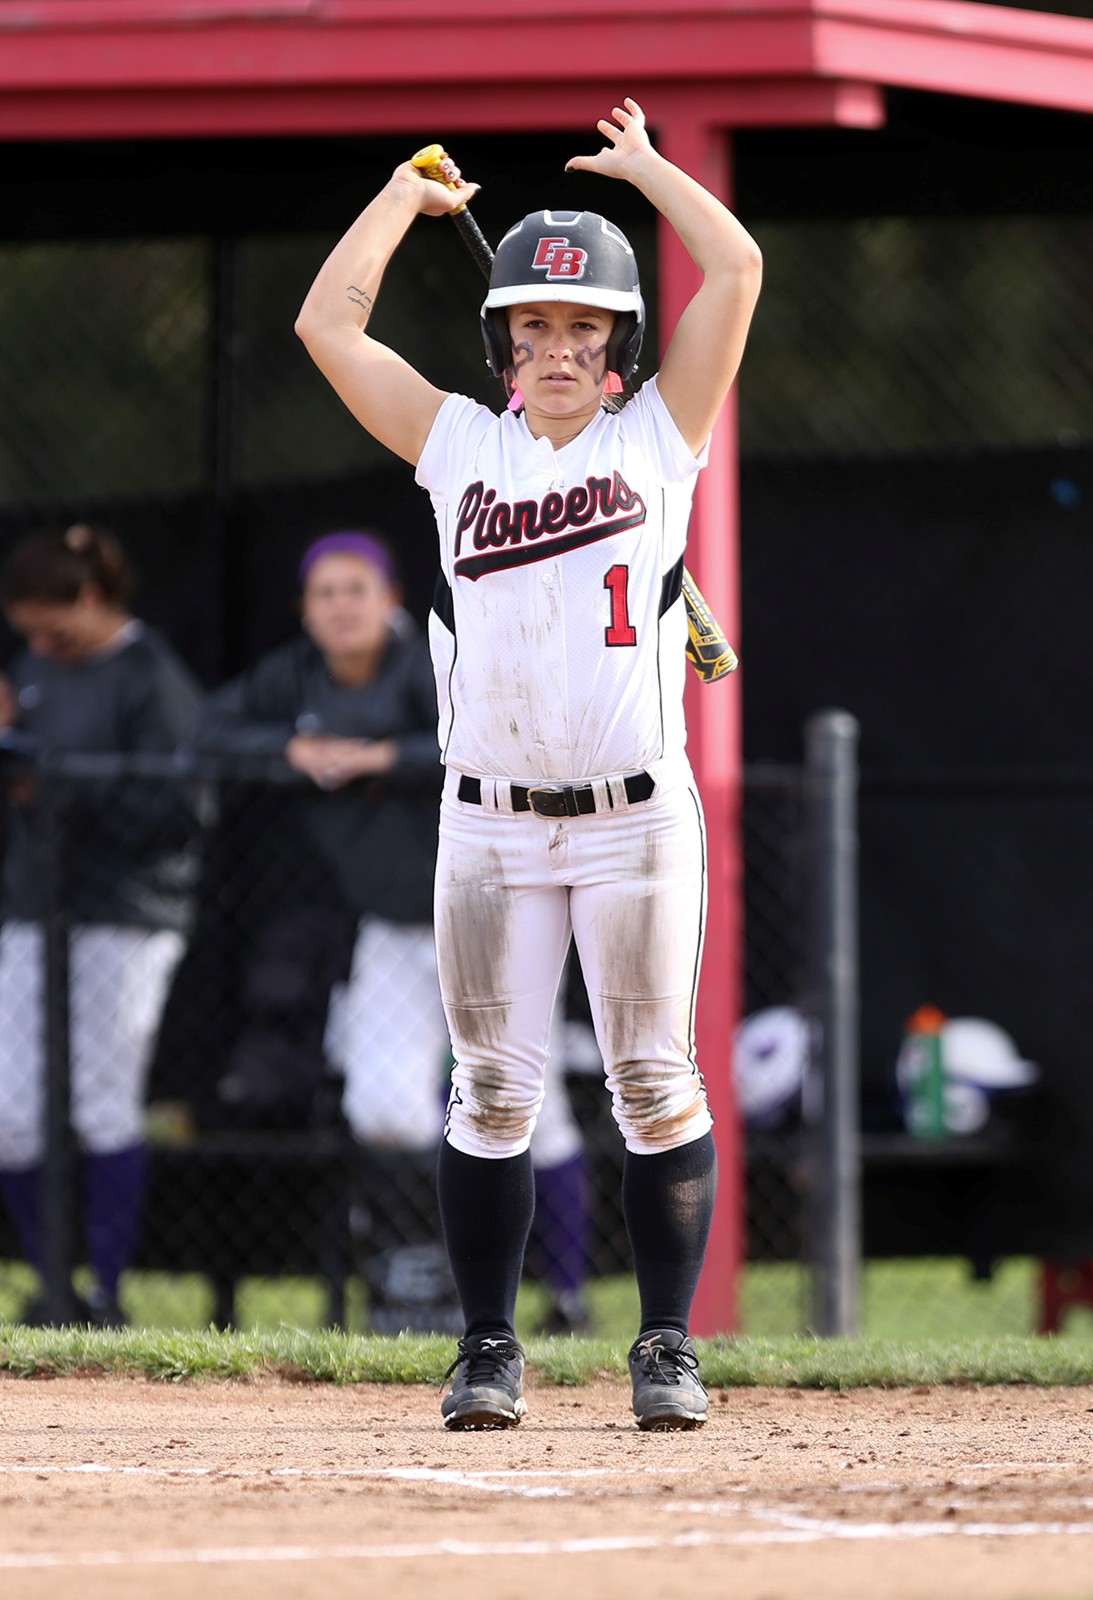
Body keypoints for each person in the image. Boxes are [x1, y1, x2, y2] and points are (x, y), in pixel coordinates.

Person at [295, 98, 762, 1429]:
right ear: (504, 343)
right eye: (536, 326)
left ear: (617, 349)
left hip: (631, 820)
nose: (559, 346)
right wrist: (404, 198)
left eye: (585, 328)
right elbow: (328, 330)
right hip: (491, 824)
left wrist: (652, 175)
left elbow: (736, 272)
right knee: (491, 1085)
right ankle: (488, 1348)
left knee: (651, 1077)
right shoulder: (459, 442)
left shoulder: (658, 436)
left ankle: (665, 1344)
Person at [192, 530, 593, 1334]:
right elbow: (202, 730)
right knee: (381, 1108)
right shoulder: (295, 676)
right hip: (393, 927)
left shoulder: (432, 659)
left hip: (496, 911)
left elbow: (495, 736)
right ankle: (423, 1290)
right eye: (324, 593)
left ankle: (566, 1297)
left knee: (526, 1104)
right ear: (306, 609)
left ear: (392, 599)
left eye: (357, 590)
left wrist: (382, 758)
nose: (341, 607)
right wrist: (290, 747)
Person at [0, 524, 202, 1325]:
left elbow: (182, 810)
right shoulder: (36, 670)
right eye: (29, 634)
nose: (43, 645)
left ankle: (107, 1293)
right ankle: (55, 1287)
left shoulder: (151, 676)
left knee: (101, 1100)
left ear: (89, 598)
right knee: (12, 1110)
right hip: (32, 906)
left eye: (54, 627)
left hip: (126, 913)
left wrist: (61, 793)